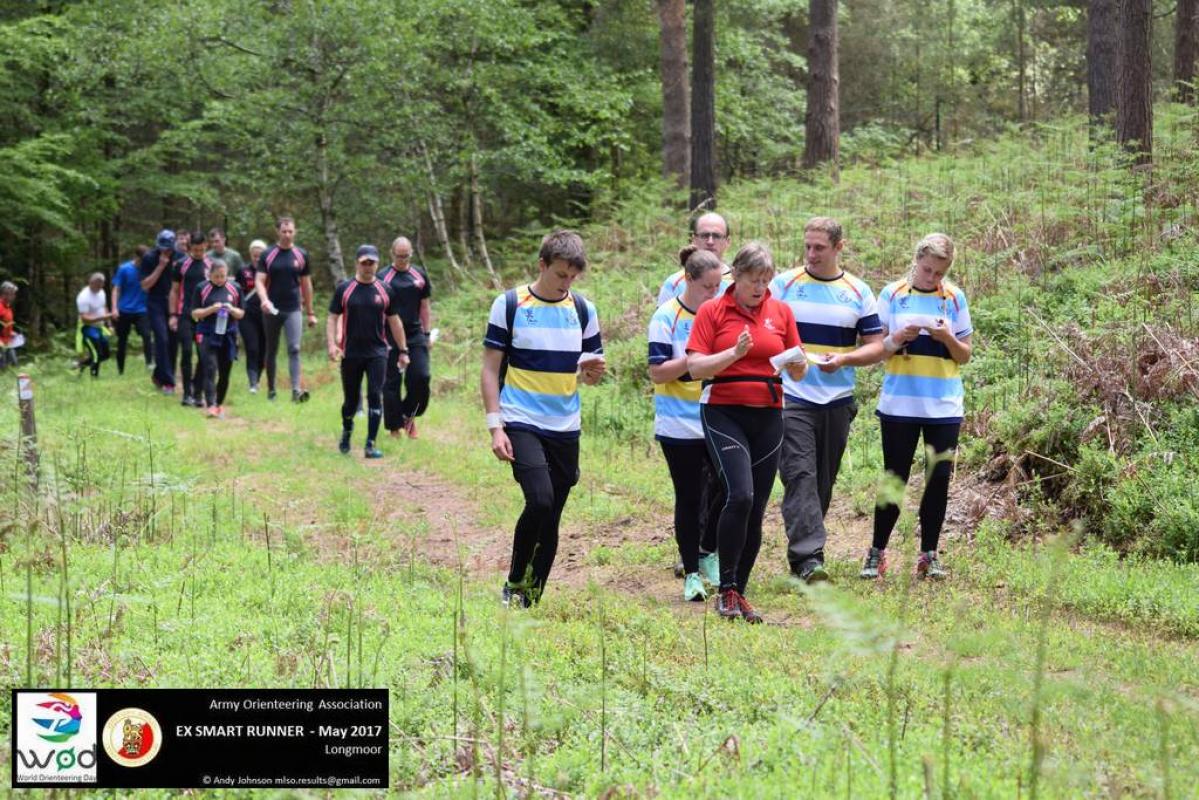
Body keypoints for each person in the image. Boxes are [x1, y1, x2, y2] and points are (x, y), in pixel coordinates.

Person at [481, 230, 605, 607]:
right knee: (539, 499)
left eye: (572, 277)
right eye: (559, 275)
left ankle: (531, 597)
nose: (565, 284)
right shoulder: (509, 305)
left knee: (552, 513)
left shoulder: (584, 310)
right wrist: (495, 425)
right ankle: (515, 579)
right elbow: (489, 370)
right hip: (521, 419)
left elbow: (588, 373)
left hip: (565, 425)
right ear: (542, 265)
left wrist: (593, 375)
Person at [686, 242, 805, 623]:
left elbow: (797, 366)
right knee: (740, 495)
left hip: (769, 413)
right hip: (723, 411)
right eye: (753, 279)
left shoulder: (781, 311)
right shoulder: (712, 310)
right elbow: (696, 367)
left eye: (765, 280)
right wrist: (733, 354)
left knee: (754, 507)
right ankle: (725, 588)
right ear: (735, 275)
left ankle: (740, 591)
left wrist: (799, 364)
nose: (759, 287)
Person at [772, 218, 885, 583]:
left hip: (837, 398)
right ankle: (808, 558)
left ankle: (803, 553)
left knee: (822, 478)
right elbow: (763, 329)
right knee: (799, 473)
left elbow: (876, 346)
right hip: (792, 395)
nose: (811, 254)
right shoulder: (783, 285)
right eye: (807, 246)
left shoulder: (857, 291)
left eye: (819, 247)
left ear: (839, 247)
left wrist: (846, 359)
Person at [863, 233, 973, 581]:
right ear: (916, 261)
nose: (932, 278)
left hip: (943, 405)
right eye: (927, 270)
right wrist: (898, 339)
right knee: (894, 476)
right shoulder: (892, 295)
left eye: (939, 273)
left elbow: (965, 354)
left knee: (937, 479)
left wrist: (946, 338)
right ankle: (876, 551)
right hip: (900, 404)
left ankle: (929, 554)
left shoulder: (954, 298)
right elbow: (875, 348)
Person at [648, 245, 726, 602]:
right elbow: (657, 371)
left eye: (717, 286)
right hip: (678, 423)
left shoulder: (722, 314)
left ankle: (709, 551)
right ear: (688, 280)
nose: (713, 293)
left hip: (719, 416)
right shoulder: (667, 316)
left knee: (728, 487)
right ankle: (691, 572)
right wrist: (692, 360)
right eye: (707, 287)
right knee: (690, 496)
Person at [326, 245, 410, 458]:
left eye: (371, 262)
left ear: (377, 263)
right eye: (364, 262)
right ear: (357, 262)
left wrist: (403, 350)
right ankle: (346, 432)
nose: (368, 266)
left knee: (375, 394)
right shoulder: (345, 289)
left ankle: (370, 444)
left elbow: (395, 322)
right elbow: (332, 317)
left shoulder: (385, 290)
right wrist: (331, 345)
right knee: (351, 400)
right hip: (351, 352)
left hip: (378, 352)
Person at [255, 216, 315, 402]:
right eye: (284, 231)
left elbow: (306, 284)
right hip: (272, 309)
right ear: (278, 232)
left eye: (290, 231)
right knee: (271, 349)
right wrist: (264, 300)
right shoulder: (268, 255)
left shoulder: (301, 255)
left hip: (293, 309)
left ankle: (296, 391)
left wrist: (311, 312)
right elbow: (259, 280)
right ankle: (271, 390)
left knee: (294, 348)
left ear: (295, 231)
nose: (287, 235)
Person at [378, 236, 433, 438]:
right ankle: (394, 427)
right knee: (391, 382)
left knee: (421, 376)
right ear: (392, 254)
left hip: (415, 333)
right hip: (388, 334)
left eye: (407, 256)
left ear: (411, 254)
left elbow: (425, 306)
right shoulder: (383, 277)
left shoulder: (419, 275)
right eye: (399, 256)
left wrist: (427, 334)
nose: (403, 260)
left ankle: (409, 415)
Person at [191, 259, 244, 419]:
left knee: (225, 372)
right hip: (207, 333)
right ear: (210, 274)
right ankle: (211, 405)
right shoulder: (202, 288)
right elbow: (194, 313)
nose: (220, 279)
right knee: (210, 368)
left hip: (228, 334)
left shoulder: (235, 288)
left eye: (223, 276)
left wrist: (231, 309)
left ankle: (219, 403)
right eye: (216, 276)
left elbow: (241, 313)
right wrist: (210, 309)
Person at [169, 231, 212, 407]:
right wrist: (172, 315)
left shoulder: (212, 265)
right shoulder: (180, 265)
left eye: (201, 250)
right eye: (195, 250)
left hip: (205, 317)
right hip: (185, 314)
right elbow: (174, 290)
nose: (199, 253)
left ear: (206, 247)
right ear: (189, 248)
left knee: (203, 355)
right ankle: (186, 393)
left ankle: (198, 393)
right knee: (186, 352)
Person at [656, 212, 733, 306]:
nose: (710, 241)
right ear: (694, 239)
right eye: (704, 235)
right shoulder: (673, 284)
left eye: (717, 236)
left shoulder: (737, 283)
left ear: (727, 242)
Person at [140, 230, 180, 393]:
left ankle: (159, 375)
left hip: (174, 302)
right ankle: (169, 382)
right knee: (161, 339)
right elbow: (145, 285)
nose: (166, 252)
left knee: (172, 341)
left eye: (169, 249)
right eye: (163, 248)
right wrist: (161, 266)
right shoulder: (149, 258)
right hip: (155, 301)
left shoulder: (180, 257)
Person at [111, 245, 153, 375]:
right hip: (125, 309)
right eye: (142, 260)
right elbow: (116, 289)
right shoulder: (124, 269)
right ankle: (120, 370)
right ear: (136, 257)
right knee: (122, 340)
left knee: (147, 336)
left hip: (142, 310)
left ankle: (149, 365)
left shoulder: (148, 269)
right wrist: (114, 308)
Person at [237, 239, 268, 392]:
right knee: (252, 347)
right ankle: (252, 383)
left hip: (265, 315)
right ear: (250, 255)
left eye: (260, 256)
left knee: (263, 350)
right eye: (254, 256)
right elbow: (236, 291)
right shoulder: (243, 271)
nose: (257, 259)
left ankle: (258, 377)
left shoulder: (270, 272)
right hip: (247, 315)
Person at [76, 273, 112, 377]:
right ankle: (94, 377)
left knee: (105, 354)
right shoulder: (83, 297)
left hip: (99, 327)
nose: (99, 288)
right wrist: (102, 318)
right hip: (87, 328)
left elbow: (104, 308)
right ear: (91, 283)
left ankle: (82, 364)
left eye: (101, 285)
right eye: (97, 285)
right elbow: (85, 318)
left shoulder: (102, 292)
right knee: (96, 354)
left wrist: (109, 324)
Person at [0, 281, 18, 369]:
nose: (14, 296)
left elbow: (6, 324)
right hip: (1, 343)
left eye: (14, 294)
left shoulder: (8, 307)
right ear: (5, 294)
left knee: (14, 364)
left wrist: (11, 332)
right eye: (12, 294)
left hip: (8, 341)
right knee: (3, 367)